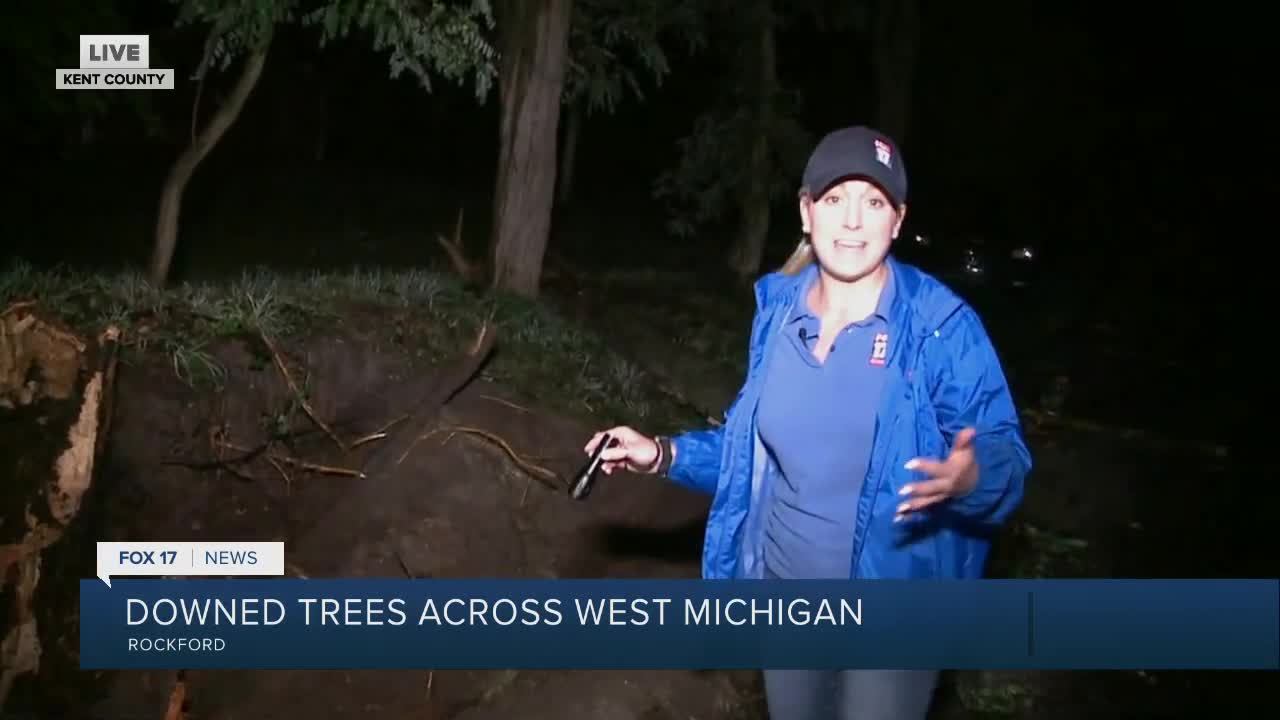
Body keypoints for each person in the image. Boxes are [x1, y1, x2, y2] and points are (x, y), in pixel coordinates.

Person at [584, 125, 1032, 719]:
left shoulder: (939, 327)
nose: (853, 221)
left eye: (873, 202)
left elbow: (1007, 457)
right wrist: (662, 454)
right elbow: (755, 456)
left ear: (897, 221)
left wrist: (971, 476)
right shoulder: (777, 315)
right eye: (835, 199)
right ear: (805, 210)